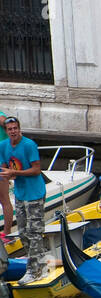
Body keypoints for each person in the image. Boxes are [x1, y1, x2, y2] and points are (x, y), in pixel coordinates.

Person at [1, 116, 49, 283]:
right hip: (20, 194)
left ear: (19, 129)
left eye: (15, 128)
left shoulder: (29, 145)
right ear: (6, 131)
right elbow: (4, 169)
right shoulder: (3, 146)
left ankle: (34, 271)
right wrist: (7, 175)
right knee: (23, 233)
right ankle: (39, 266)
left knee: (35, 233)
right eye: (10, 129)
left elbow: (36, 170)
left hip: (35, 193)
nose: (13, 131)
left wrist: (14, 173)